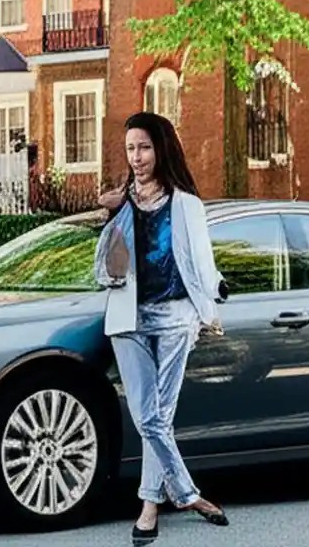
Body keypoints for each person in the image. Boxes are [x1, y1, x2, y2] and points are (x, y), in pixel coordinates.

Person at [92, 111, 229, 543]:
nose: (137, 156)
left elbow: (202, 264)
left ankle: (149, 508)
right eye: (131, 148)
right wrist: (112, 220)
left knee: (159, 417)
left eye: (144, 147)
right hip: (128, 321)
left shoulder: (187, 204)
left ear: (161, 148)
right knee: (148, 416)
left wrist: (215, 300)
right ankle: (187, 494)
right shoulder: (120, 203)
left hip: (174, 319)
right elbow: (106, 269)